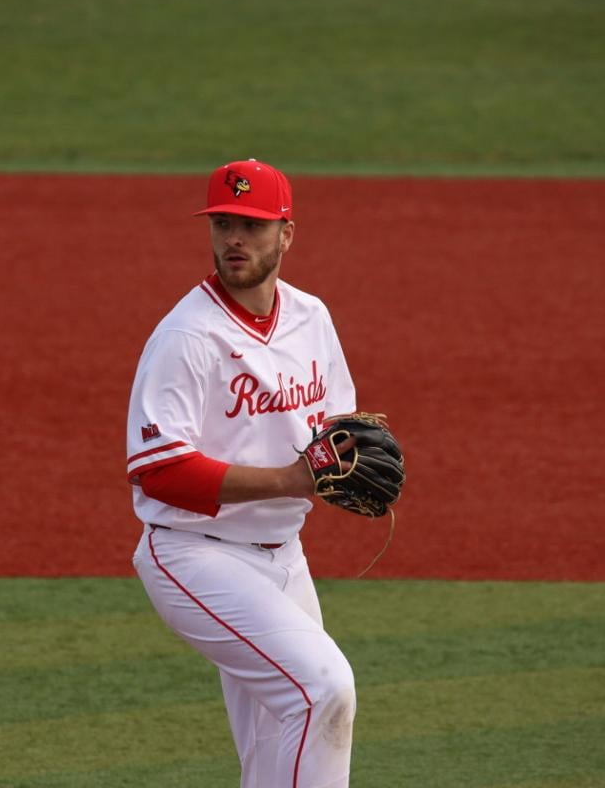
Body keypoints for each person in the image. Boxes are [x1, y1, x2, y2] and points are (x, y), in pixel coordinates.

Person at [126, 158, 360, 787]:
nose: (235, 239)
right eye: (224, 223)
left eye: (253, 226)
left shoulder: (311, 318)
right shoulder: (186, 336)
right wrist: (289, 480)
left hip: (285, 557)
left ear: (286, 234)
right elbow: (159, 471)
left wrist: (348, 464)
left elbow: (337, 429)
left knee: (275, 737)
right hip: (196, 557)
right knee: (322, 689)